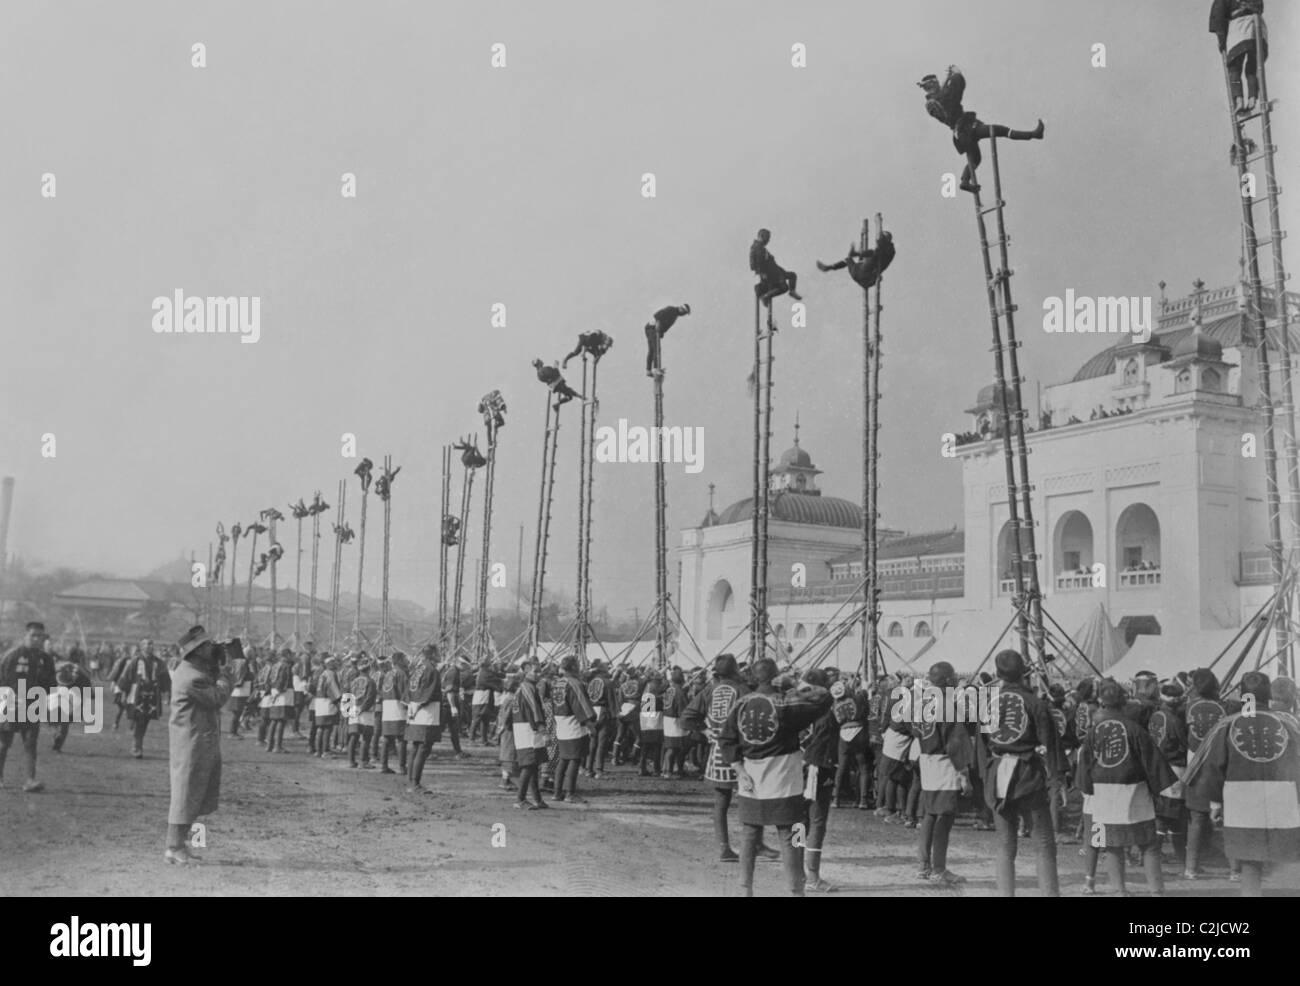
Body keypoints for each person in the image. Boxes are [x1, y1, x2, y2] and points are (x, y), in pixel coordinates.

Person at [719, 658, 831, 896]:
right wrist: (795, 681)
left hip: (750, 777)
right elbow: (823, 696)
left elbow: (726, 740)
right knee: (794, 834)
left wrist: (739, 770)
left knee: (749, 834)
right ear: (776, 675)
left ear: (754, 677)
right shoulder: (786, 702)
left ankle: (744, 888)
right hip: (784, 778)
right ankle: (796, 888)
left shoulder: (741, 703)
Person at [1186, 670, 1300, 896]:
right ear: (1268, 694)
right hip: (1283, 798)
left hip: (1243, 800)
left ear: (1243, 694)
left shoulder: (1227, 725)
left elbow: (1209, 766)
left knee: (1250, 862)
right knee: (1290, 859)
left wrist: (1215, 803)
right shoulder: (1291, 724)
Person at [1078, 680, 1177, 897]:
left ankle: (1120, 891)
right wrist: (1164, 790)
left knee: (1112, 844)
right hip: (1134, 791)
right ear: (1124, 703)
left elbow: (1084, 763)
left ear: (1101, 703)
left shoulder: (1093, 732)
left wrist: (1085, 789)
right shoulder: (1136, 730)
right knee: (1148, 844)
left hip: (1102, 792)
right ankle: (1156, 891)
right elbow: (1153, 762)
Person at [980, 650, 1062, 897]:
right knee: (1044, 844)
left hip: (998, 775)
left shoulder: (988, 704)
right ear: (1025, 672)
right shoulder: (1037, 704)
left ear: (997, 674)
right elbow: (1051, 746)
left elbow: (981, 746)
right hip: (1029, 775)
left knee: (1005, 844)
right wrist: (1056, 781)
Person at [166, 626, 233, 865]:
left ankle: (180, 844)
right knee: (185, 794)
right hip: (191, 742)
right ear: (195, 651)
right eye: (205, 646)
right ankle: (174, 846)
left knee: (194, 793)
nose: (210, 649)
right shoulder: (191, 677)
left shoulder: (193, 670)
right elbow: (217, 697)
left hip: (197, 740)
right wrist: (226, 675)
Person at [918, 66, 1044, 193]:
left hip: (962, 132)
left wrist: (950, 78)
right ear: (932, 86)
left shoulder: (934, 101)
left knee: (975, 159)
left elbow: (946, 93)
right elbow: (953, 93)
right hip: (966, 128)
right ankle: (1033, 134)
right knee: (999, 130)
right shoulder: (936, 101)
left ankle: (965, 182)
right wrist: (956, 76)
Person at [914, 661, 975, 886]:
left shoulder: (921, 702)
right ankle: (939, 868)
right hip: (944, 763)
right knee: (945, 816)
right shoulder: (946, 704)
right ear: (948, 681)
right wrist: (964, 773)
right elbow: (955, 744)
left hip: (926, 760)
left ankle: (923, 865)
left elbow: (914, 730)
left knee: (929, 814)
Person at [1183, 668, 1230, 879]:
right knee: (1227, 818)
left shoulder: (1188, 707)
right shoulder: (1224, 707)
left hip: (1195, 766)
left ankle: (1190, 867)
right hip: (1219, 764)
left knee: (1196, 818)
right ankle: (1235, 868)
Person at [0, 622, 57, 791]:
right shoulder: (12, 655)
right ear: (25, 635)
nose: (37, 639)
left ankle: (30, 780)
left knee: (30, 743)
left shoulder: (45, 659)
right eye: (33, 635)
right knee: (3, 743)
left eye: (40, 636)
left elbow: (51, 685)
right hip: (10, 704)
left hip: (33, 706)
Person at [801, 669, 839, 893]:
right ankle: (812, 876)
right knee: (817, 823)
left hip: (796, 767)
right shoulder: (823, 713)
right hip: (817, 768)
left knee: (799, 820)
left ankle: (796, 868)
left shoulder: (795, 708)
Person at [1210, 0, 1268, 117]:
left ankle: (1239, 100)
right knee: (1253, 68)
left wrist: (1222, 43)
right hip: (1258, 28)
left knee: (1234, 69)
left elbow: (1218, 19)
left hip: (1240, 28)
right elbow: (1260, 7)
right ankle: (1253, 97)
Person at [552, 654, 597, 804]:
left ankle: (557, 792)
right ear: (573, 667)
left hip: (560, 723)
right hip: (573, 724)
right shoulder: (574, 683)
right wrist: (590, 724)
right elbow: (582, 705)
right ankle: (570, 793)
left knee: (563, 759)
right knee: (575, 759)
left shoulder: (557, 683)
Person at [406, 645, 443, 795]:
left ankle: (411, 780)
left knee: (415, 747)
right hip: (426, 712)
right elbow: (428, 694)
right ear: (433, 654)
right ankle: (415, 783)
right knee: (423, 747)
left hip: (414, 710)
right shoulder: (431, 670)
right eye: (438, 653)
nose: (440, 655)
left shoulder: (417, 669)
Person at [512, 661, 550, 810]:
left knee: (534, 764)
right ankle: (520, 799)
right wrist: (543, 730)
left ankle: (537, 799)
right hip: (527, 728)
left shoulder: (525, 687)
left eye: (539, 671)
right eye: (535, 671)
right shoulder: (527, 687)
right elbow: (534, 711)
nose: (538, 674)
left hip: (523, 727)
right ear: (525, 672)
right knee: (529, 764)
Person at [816, 230, 896, 290]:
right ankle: (830, 267)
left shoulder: (882, 250)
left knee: (849, 259)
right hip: (865, 280)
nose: (877, 240)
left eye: (880, 238)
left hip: (860, 275)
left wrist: (858, 254)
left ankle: (830, 267)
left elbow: (874, 254)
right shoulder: (887, 251)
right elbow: (874, 254)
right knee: (854, 259)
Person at [50, 658, 93, 754]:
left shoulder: (56, 668)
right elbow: (88, 689)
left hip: (55, 695)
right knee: (65, 724)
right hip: (71, 699)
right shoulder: (82, 672)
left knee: (53, 721)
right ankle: (58, 745)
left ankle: (56, 734)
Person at [749, 230, 801, 308]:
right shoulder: (757, 248)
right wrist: (762, 272)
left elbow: (766, 262)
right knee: (784, 287)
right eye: (767, 238)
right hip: (770, 274)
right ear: (762, 236)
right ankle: (765, 295)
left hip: (775, 271)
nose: (768, 240)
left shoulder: (759, 247)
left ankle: (791, 291)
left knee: (792, 276)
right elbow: (755, 264)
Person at [584, 658, 615, 778]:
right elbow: (612, 701)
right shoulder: (607, 682)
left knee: (592, 741)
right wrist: (614, 715)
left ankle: (588, 768)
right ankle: (599, 770)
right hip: (603, 711)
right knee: (601, 742)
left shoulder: (590, 682)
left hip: (592, 711)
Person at [379, 653, 410, 774]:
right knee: (402, 738)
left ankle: (383, 765)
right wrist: (408, 707)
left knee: (387, 738)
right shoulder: (401, 673)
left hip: (387, 707)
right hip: (397, 707)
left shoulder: (388, 674)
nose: (407, 661)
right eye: (405, 659)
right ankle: (402, 767)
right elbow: (405, 693)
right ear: (400, 660)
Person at [347, 654, 377, 768]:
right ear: (369, 668)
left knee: (354, 737)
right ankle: (363, 761)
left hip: (353, 710)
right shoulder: (371, 681)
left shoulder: (353, 681)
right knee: (366, 737)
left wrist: (348, 711)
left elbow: (347, 695)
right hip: (366, 712)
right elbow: (370, 698)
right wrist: (363, 708)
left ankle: (351, 761)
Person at [643, 305, 691, 376]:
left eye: (685, 313)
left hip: (651, 329)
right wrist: (658, 324)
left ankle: (648, 370)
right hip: (653, 328)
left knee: (652, 350)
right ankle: (656, 368)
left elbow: (665, 326)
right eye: (684, 312)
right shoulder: (671, 309)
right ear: (681, 308)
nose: (683, 314)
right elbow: (658, 315)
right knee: (657, 348)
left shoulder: (675, 315)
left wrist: (661, 333)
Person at [311, 656, 342, 759]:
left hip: (319, 702)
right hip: (326, 702)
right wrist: (339, 703)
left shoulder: (323, 673)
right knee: (327, 727)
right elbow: (334, 690)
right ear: (330, 664)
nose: (336, 664)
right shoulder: (330, 674)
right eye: (334, 662)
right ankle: (325, 751)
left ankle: (318, 750)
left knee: (321, 727)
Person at [470, 659, 502, 746]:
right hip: (482, 698)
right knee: (477, 718)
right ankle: (471, 738)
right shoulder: (485, 673)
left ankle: (484, 739)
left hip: (485, 697)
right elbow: (495, 682)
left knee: (485, 719)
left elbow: (495, 677)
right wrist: (501, 685)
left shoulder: (484, 672)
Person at [638, 672, 665, 776]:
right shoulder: (656, 687)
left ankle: (641, 767)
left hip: (644, 719)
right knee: (657, 746)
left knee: (645, 746)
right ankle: (656, 769)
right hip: (654, 719)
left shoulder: (646, 687)